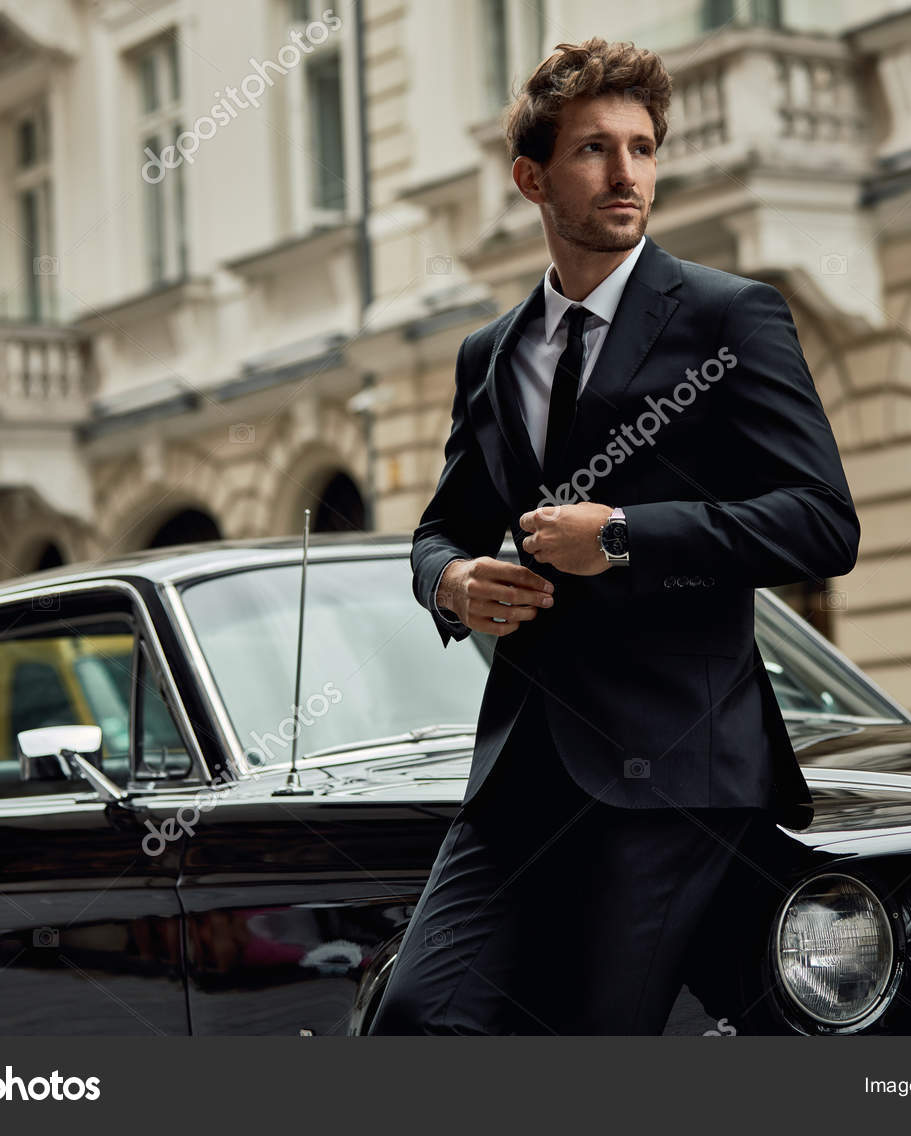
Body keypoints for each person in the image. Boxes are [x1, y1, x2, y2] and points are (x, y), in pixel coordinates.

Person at [367, 36, 859, 1035]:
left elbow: (821, 519)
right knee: (419, 1013)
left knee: (593, 1030)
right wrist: (451, 580)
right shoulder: (490, 356)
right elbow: (439, 528)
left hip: (672, 765)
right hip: (521, 769)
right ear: (531, 177)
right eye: (594, 148)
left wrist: (626, 534)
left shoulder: (730, 318)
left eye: (641, 146)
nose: (626, 171)